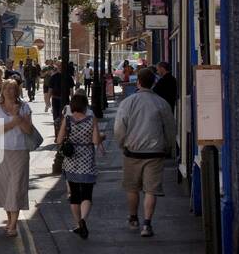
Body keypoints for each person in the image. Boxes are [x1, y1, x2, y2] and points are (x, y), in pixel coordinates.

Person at [113, 67, 177, 238]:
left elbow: (119, 128)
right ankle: (147, 224)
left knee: (132, 188)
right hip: (155, 152)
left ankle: (133, 218)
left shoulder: (127, 103)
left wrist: (122, 144)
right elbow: (170, 128)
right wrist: (170, 146)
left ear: (138, 82)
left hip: (132, 151)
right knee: (151, 190)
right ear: (154, 82)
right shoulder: (162, 103)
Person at [0, 79, 34, 237]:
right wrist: (13, 122)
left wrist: (17, 115)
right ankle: (10, 218)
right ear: (2, 91)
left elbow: (28, 130)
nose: (10, 91)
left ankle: (13, 224)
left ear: (17, 91)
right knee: (5, 188)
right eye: (7, 89)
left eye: (13, 89)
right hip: (1, 151)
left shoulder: (25, 107)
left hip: (20, 151)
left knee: (16, 187)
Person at [57, 92, 102, 239]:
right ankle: (83, 220)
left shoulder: (68, 119)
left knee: (75, 195)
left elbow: (59, 140)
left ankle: (78, 224)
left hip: (71, 161)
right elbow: (95, 141)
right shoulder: (91, 119)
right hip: (87, 158)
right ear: (85, 106)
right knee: (87, 194)